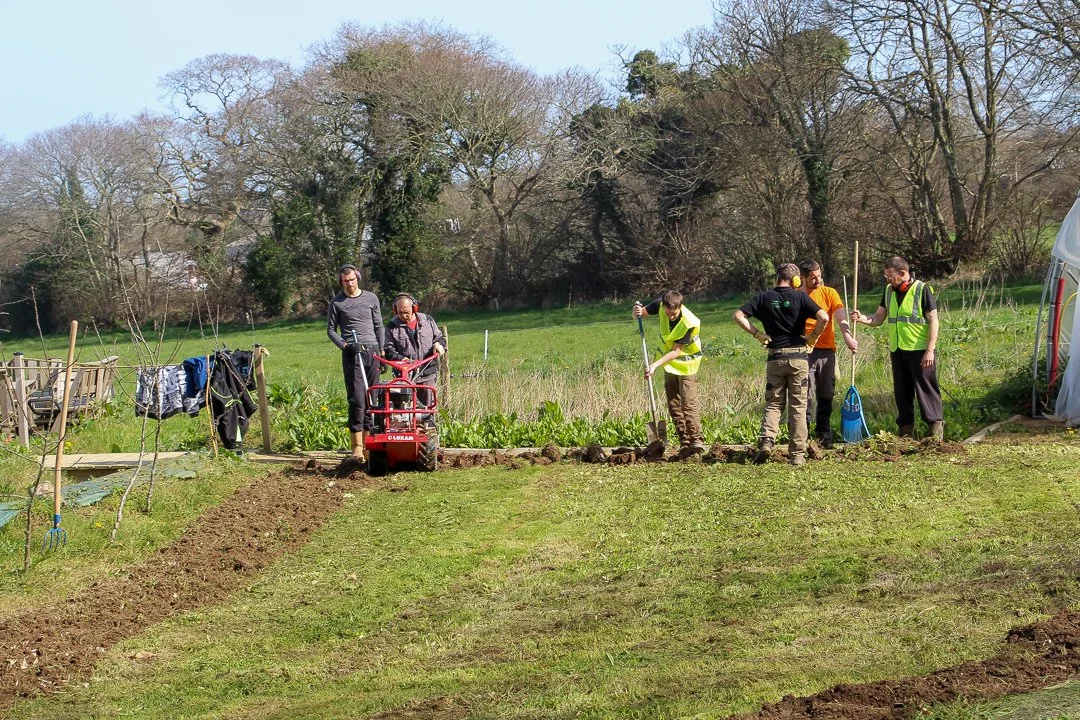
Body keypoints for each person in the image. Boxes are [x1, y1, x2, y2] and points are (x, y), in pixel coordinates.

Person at [733, 264, 830, 467]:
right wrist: (813, 337)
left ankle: (767, 442)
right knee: (798, 406)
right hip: (798, 359)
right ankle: (797, 455)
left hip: (775, 358)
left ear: (777, 278)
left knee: (774, 403)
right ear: (796, 281)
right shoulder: (801, 297)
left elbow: (738, 316)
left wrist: (758, 334)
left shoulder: (763, 298)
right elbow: (824, 317)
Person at [850, 256, 943, 440]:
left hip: (920, 351)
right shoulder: (888, 291)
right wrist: (862, 319)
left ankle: (934, 431)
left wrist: (930, 350)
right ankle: (906, 432)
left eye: (890, 277)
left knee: (926, 390)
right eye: (886, 277)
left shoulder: (921, 289)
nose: (888, 280)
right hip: (898, 350)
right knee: (902, 392)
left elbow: (934, 321)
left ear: (903, 273)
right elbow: (878, 318)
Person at [633, 290, 707, 458]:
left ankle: (696, 441)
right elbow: (642, 313)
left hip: (687, 364)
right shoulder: (660, 304)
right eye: (668, 313)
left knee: (688, 403)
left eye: (674, 314)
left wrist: (654, 366)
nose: (671, 316)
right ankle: (684, 442)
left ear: (680, 307)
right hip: (669, 365)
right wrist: (637, 311)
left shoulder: (689, 322)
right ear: (664, 306)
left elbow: (676, 351)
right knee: (673, 404)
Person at [798, 259, 859, 448]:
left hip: (826, 351)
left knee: (826, 394)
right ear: (802, 278)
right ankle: (803, 435)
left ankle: (823, 432)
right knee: (804, 395)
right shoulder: (796, 296)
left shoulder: (829, 293)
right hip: (803, 351)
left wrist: (848, 336)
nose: (818, 280)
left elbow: (841, 317)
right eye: (813, 278)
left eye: (819, 276)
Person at [327, 264, 384, 461]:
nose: (350, 284)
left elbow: (379, 325)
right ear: (341, 282)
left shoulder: (371, 298)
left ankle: (370, 445)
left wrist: (382, 351)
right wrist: (346, 346)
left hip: (372, 351)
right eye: (346, 281)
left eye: (352, 279)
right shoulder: (337, 303)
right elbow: (331, 331)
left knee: (372, 399)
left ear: (357, 278)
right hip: (352, 354)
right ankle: (357, 447)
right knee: (357, 400)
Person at [383, 292, 446, 414]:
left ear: (414, 308)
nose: (404, 315)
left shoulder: (428, 320)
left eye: (406, 312)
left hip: (428, 372)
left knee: (428, 410)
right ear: (395, 310)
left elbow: (439, 337)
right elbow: (388, 351)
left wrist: (439, 345)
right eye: (400, 312)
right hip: (405, 377)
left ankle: (428, 431)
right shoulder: (391, 327)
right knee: (404, 411)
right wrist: (402, 359)